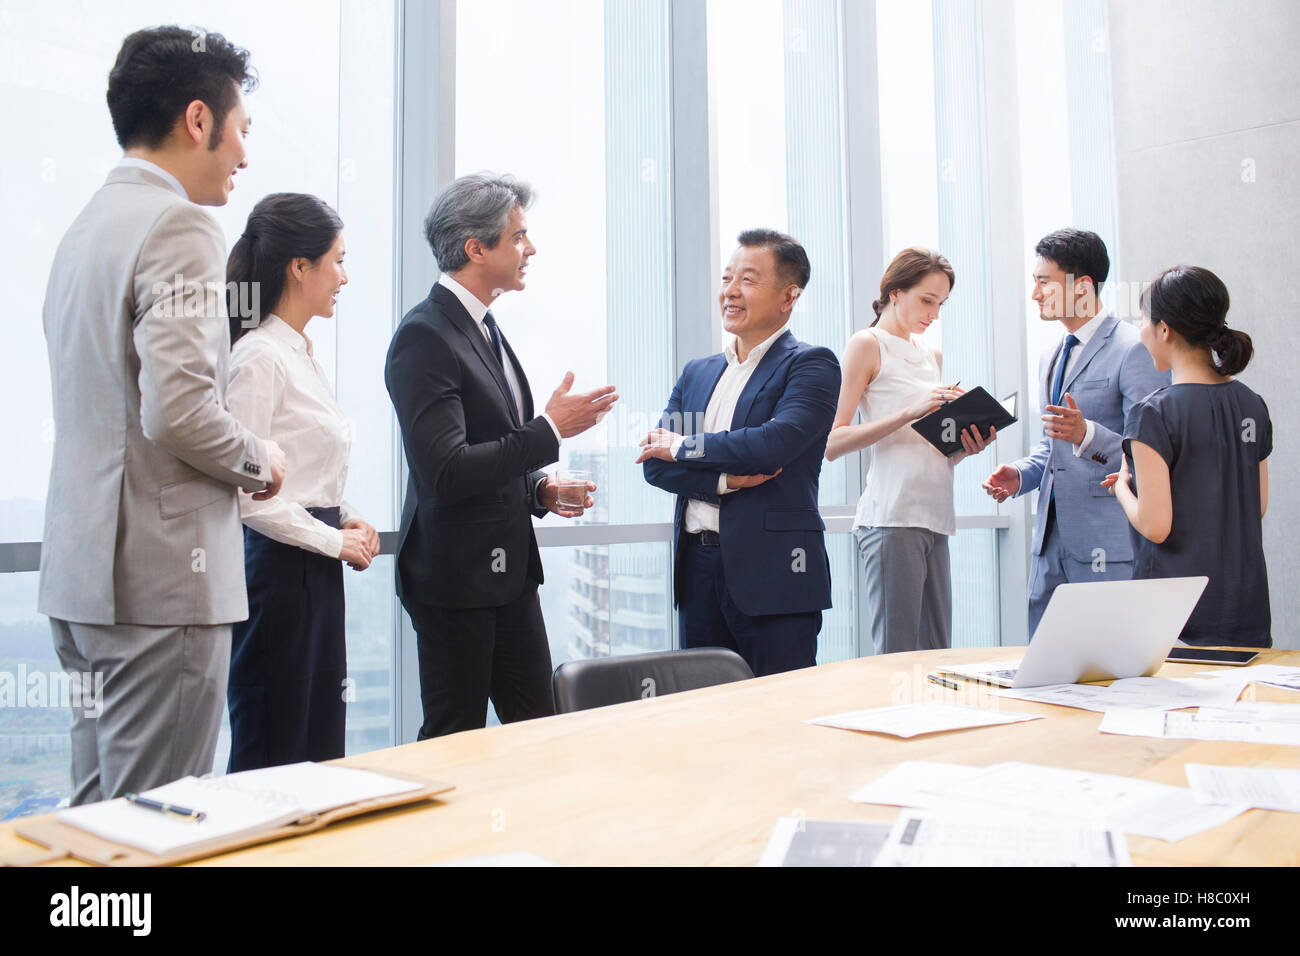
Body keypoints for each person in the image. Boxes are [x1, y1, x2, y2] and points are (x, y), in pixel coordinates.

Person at [38, 26, 286, 805]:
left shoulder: (82, 232)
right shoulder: (178, 227)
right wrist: (260, 460)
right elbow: (177, 411)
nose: (245, 155)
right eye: (241, 128)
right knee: (159, 826)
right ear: (198, 120)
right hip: (160, 586)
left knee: (93, 822)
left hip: (83, 583)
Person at [385, 173, 618, 739]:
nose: (530, 249)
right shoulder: (425, 336)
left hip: (509, 577)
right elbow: (447, 470)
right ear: (476, 248)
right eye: (518, 237)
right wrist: (550, 429)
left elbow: (490, 451)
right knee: (455, 740)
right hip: (456, 582)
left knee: (536, 731)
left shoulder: (484, 327)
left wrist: (539, 489)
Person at [638, 229, 840, 676]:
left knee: (777, 712)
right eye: (727, 278)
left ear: (789, 296)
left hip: (776, 573)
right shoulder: (697, 373)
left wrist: (684, 447)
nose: (730, 291)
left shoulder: (811, 364)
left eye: (747, 280)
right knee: (704, 713)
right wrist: (722, 480)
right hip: (697, 569)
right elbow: (656, 465)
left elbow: (774, 444)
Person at [223, 194, 380, 770]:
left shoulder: (301, 355)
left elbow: (306, 475)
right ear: (299, 266)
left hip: (314, 568)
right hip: (277, 572)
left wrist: (346, 516)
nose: (344, 276)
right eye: (337, 260)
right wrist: (333, 539)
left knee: (318, 746)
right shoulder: (258, 357)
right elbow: (243, 494)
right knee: (276, 746)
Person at [982, 228, 1168, 638]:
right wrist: (1022, 474)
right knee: (1048, 678)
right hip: (1050, 547)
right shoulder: (1051, 356)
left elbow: (1155, 453)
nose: (1035, 294)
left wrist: (1087, 434)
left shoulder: (1134, 347)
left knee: (1110, 676)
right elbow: (1054, 448)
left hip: (1109, 548)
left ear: (1082, 285)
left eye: (1043, 281)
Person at [825, 248, 994, 655]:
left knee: (936, 652)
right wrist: (909, 412)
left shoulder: (930, 354)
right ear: (895, 292)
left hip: (935, 516)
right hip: (891, 519)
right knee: (896, 656)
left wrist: (965, 448)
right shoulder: (867, 345)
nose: (934, 314)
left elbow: (926, 446)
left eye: (941, 304)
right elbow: (832, 443)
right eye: (927, 300)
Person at [1103, 266, 1271, 646]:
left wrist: (1123, 490)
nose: (1141, 332)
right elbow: (1255, 505)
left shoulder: (1153, 413)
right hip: (1244, 607)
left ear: (1165, 330)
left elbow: (1155, 525)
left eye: (1144, 321)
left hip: (1174, 617)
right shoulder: (1252, 405)